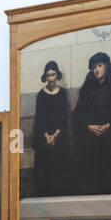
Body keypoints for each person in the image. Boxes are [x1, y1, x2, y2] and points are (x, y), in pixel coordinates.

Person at [70, 51, 111, 194]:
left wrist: (109, 126)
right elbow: (77, 116)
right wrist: (88, 127)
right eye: (94, 67)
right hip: (91, 140)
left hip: (110, 140)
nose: (97, 70)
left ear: (106, 67)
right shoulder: (87, 90)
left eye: (100, 66)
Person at [32, 60, 69, 196]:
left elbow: (64, 118)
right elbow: (40, 120)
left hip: (59, 137)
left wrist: (55, 136)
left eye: (53, 75)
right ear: (45, 77)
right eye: (48, 75)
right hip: (44, 138)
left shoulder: (62, 93)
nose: (51, 79)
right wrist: (48, 136)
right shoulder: (41, 95)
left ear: (57, 75)